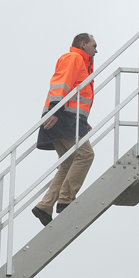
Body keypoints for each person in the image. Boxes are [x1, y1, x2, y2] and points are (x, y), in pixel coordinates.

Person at [32, 33, 98, 226]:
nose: (96, 50)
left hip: (68, 117)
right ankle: (65, 199)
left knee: (68, 162)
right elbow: (61, 83)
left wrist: (83, 121)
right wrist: (55, 110)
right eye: (94, 46)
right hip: (62, 117)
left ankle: (45, 206)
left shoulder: (83, 64)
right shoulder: (74, 58)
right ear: (83, 44)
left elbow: (75, 95)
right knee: (86, 155)